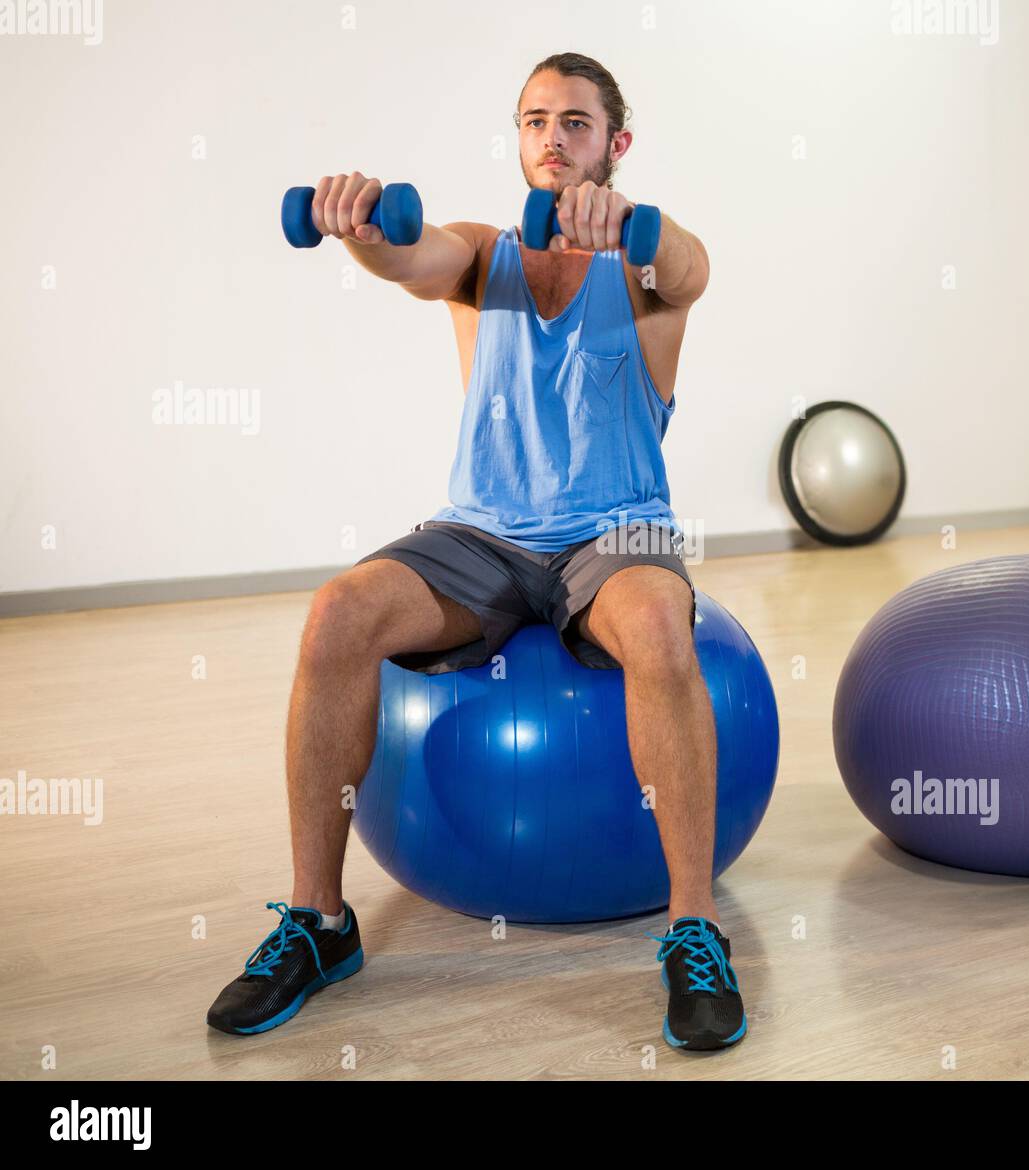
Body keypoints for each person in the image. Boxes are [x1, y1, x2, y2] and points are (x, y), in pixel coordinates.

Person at [207, 52, 745, 1052]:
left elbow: (691, 268)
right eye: (535, 120)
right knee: (336, 614)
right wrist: (364, 226)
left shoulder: (642, 271)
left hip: (615, 533)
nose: (553, 138)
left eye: (576, 123)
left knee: (662, 633)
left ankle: (691, 929)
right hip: (481, 532)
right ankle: (320, 922)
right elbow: (412, 261)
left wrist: (638, 229)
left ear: (615, 143)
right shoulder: (480, 254)